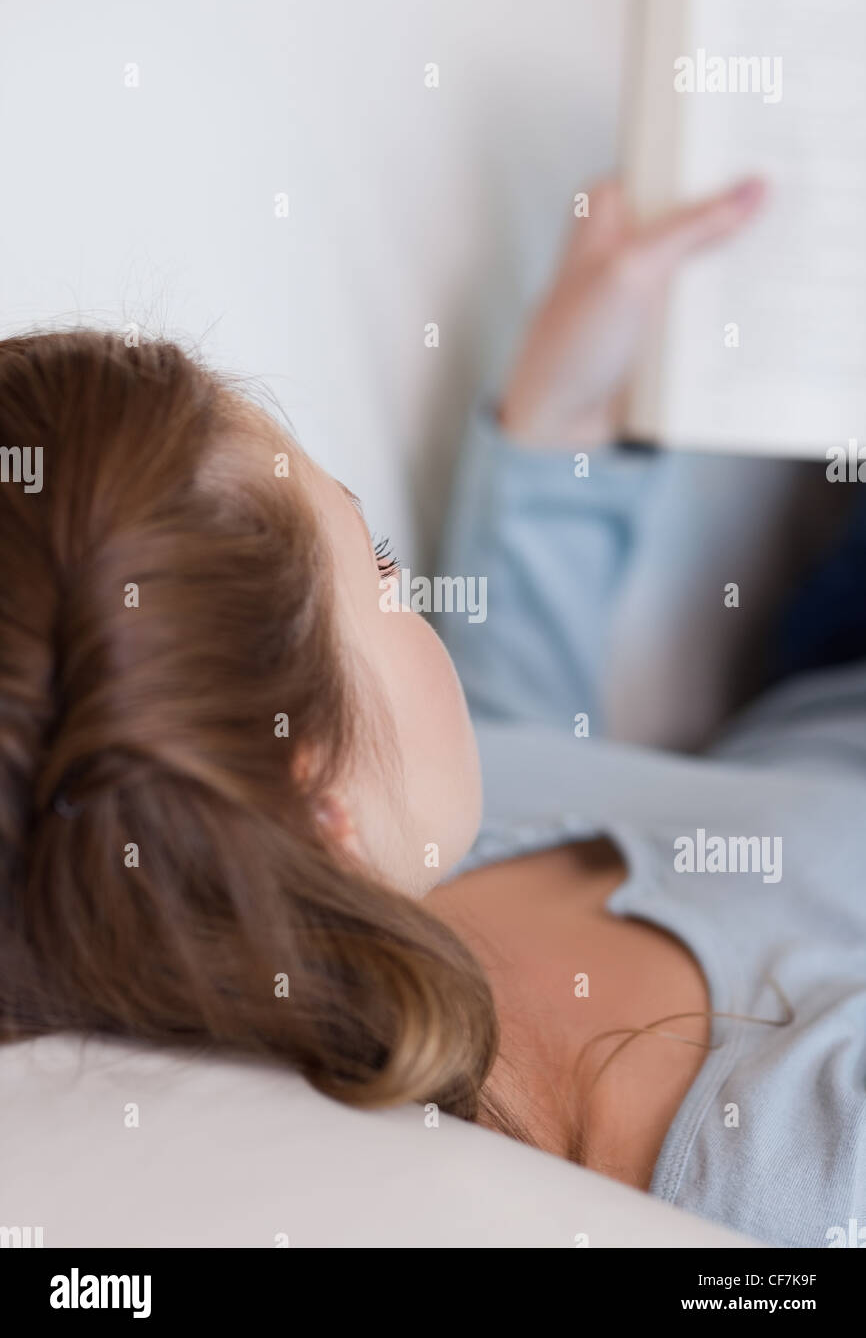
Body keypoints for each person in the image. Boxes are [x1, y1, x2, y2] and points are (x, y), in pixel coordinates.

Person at [0, 176, 861, 1250]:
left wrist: (556, 426)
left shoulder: (358, 903)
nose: (415, 598)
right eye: (386, 568)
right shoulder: (808, 1157)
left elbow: (520, 743)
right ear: (310, 784)